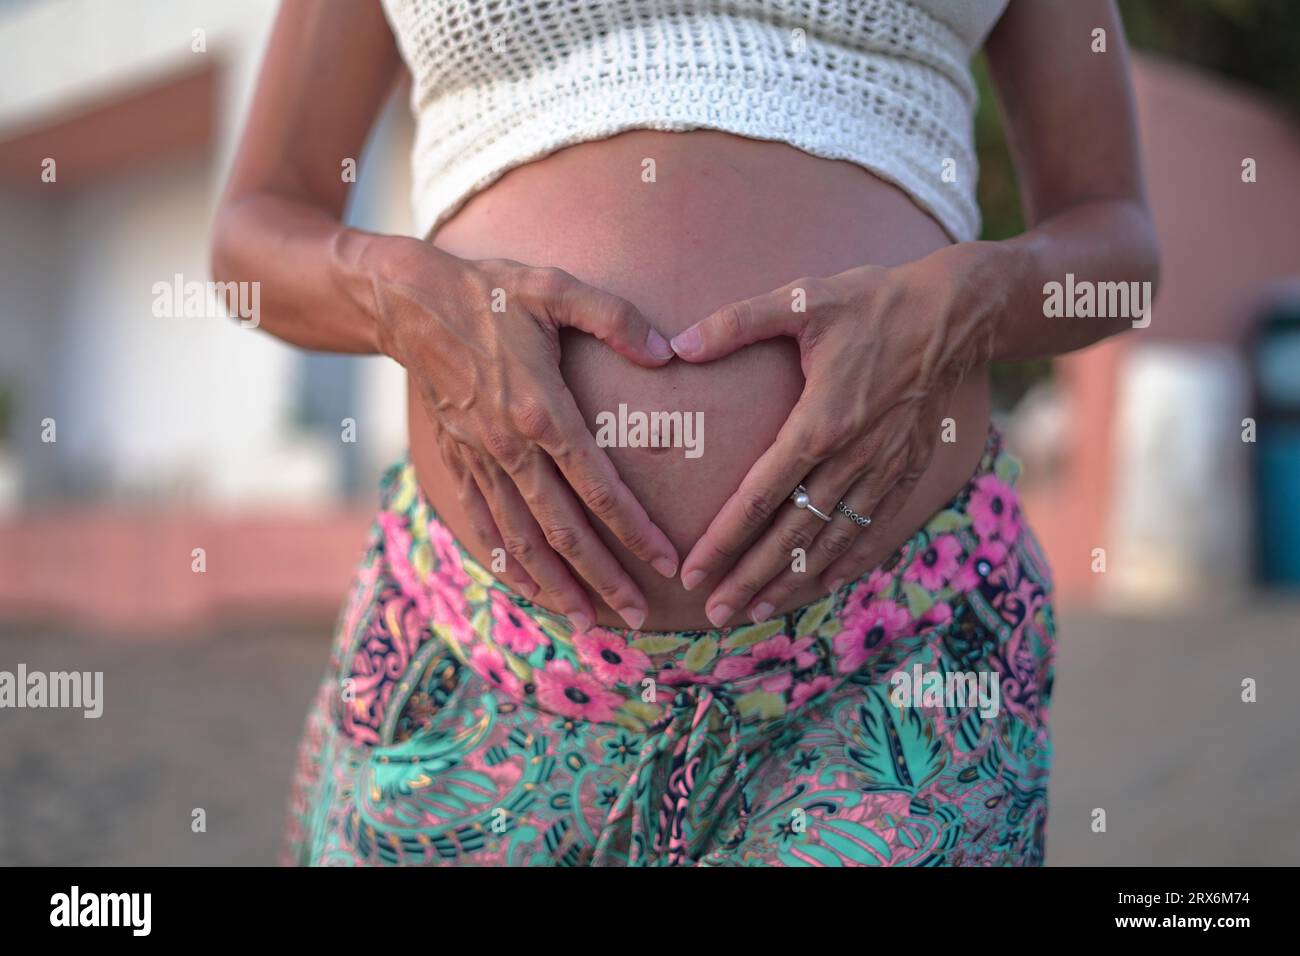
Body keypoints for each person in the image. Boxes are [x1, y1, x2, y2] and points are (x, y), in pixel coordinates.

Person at [212, 0, 1158, 866]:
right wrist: (397, 294)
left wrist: (972, 299)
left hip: (896, 670)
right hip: (479, 653)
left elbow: (1115, 240)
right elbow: (253, 234)